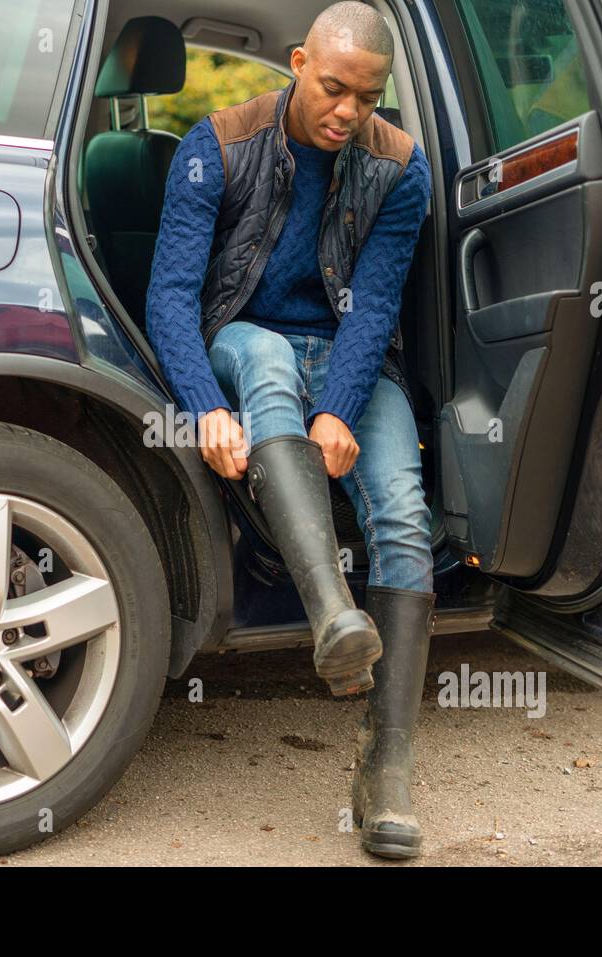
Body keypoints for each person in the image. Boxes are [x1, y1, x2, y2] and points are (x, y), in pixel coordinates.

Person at [145, 1, 435, 859]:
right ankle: (332, 618)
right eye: (335, 88)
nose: (349, 112)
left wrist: (341, 406)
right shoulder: (217, 144)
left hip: (351, 360)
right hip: (242, 337)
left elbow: (376, 303)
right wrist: (206, 408)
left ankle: (387, 767)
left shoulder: (401, 169)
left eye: (369, 97)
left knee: (404, 509)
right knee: (267, 356)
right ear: (301, 62)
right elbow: (171, 297)